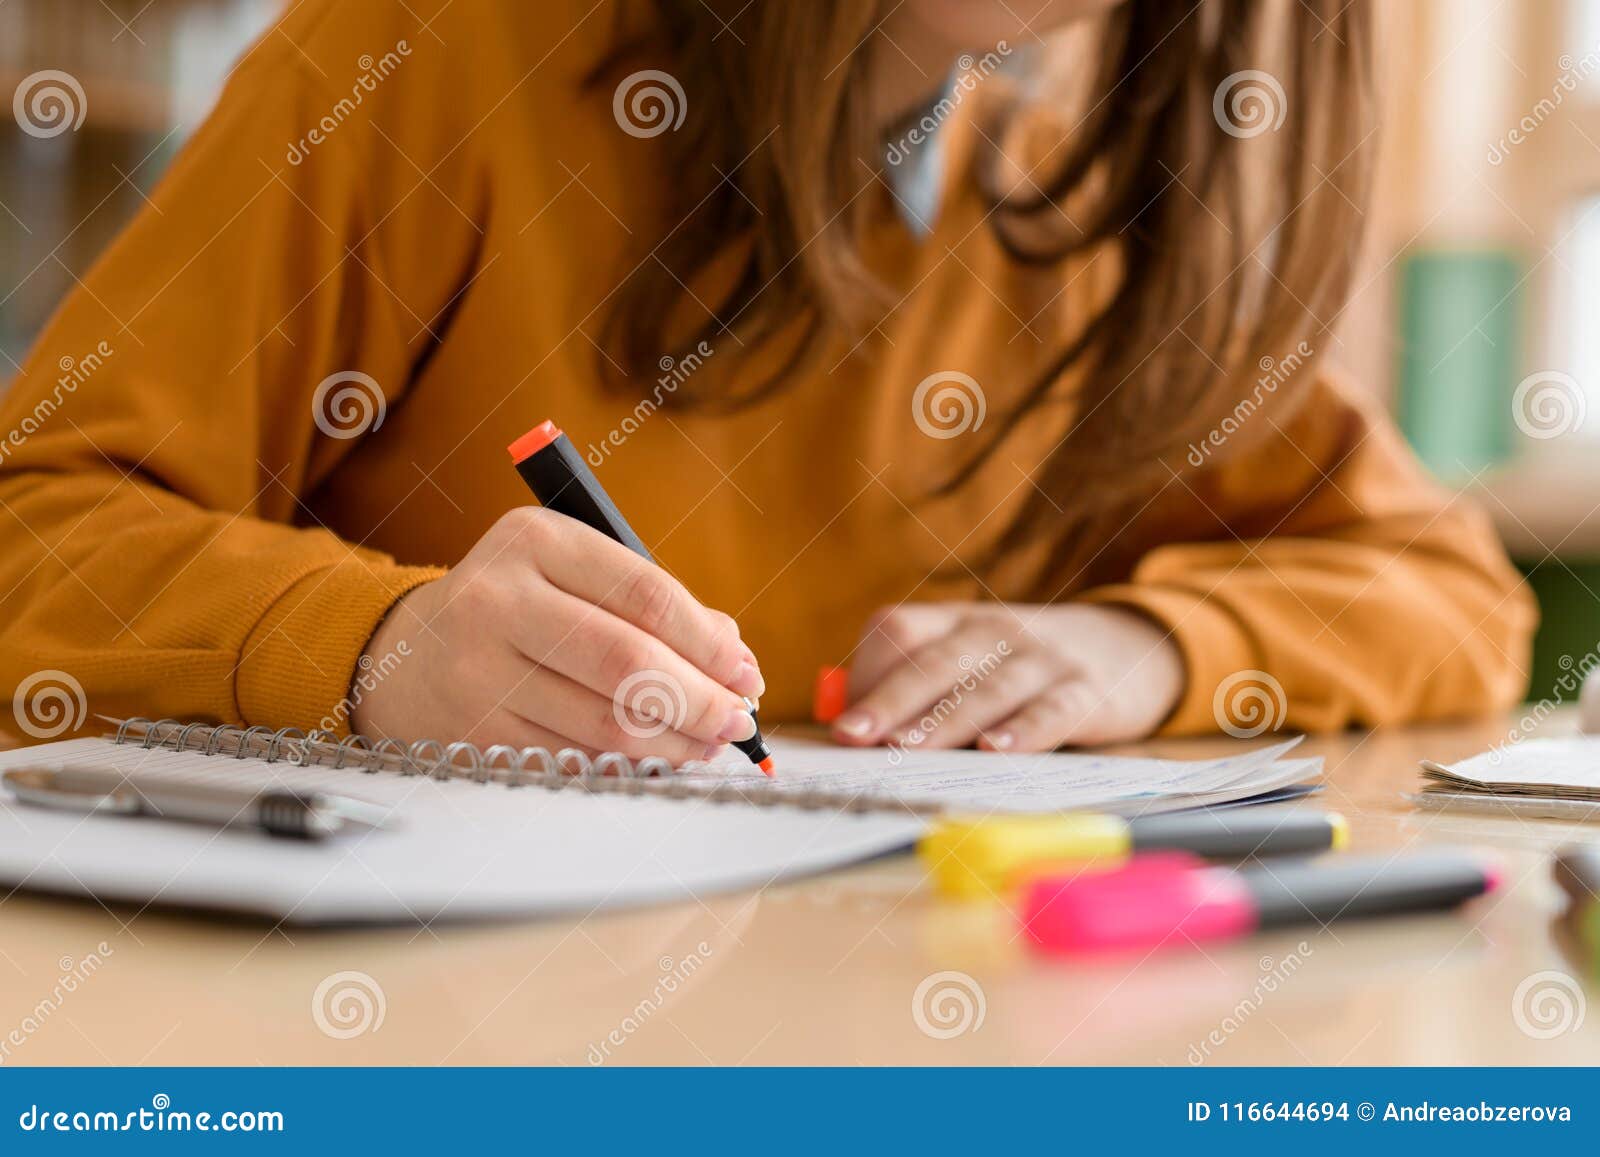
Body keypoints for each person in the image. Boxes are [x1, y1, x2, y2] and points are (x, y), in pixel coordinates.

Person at [0, 0, 1533, 762]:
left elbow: (1452, 593)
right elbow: (34, 532)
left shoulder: (1074, 233)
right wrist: (374, 649)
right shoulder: (429, 54)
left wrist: (1146, 647)